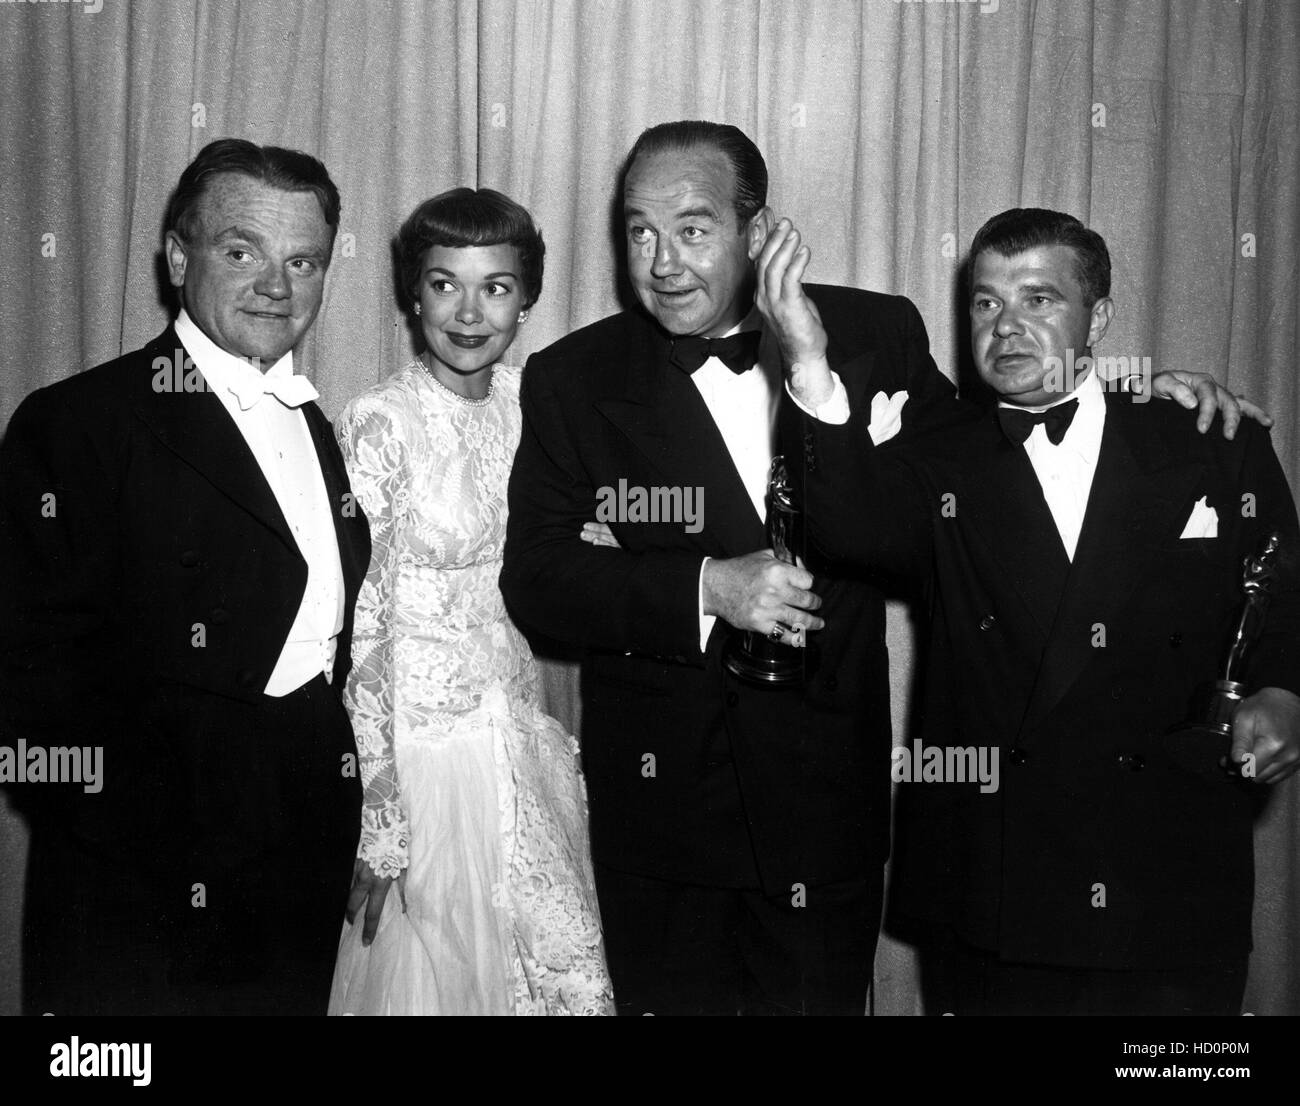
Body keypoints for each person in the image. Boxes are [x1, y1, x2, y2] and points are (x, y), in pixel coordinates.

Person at [502, 121, 1264, 1017]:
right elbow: (538, 578)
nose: (662, 262)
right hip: (668, 817)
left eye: (693, 229)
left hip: (826, 807)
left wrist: (1145, 401)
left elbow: (1000, 457)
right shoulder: (573, 376)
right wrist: (706, 587)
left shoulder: (875, 331)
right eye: (640, 232)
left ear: (757, 229)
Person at [780, 207, 1300, 1015]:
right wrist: (808, 358)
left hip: (1168, 880)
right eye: (986, 302)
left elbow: (1283, 599)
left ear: (1101, 317)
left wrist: (1287, 693)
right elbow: (841, 526)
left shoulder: (1208, 436)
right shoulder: (938, 454)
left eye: (1039, 300)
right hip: (996, 889)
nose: (1006, 327)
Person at [0, 138, 371, 1015]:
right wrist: (134, 841)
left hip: (300, 856)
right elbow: (26, 683)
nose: (275, 286)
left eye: (303, 262)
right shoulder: (79, 423)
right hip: (142, 888)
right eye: (241, 252)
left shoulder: (318, 425)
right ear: (177, 258)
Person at [327, 188, 613, 1015]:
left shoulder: (533, 403)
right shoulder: (379, 421)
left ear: (526, 300)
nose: (468, 312)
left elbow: (570, 545)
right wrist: (381, 811)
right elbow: (365, 629)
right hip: (422, 754)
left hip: (515, 733)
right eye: (444, 283)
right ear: (413, 295)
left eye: (495, 287)